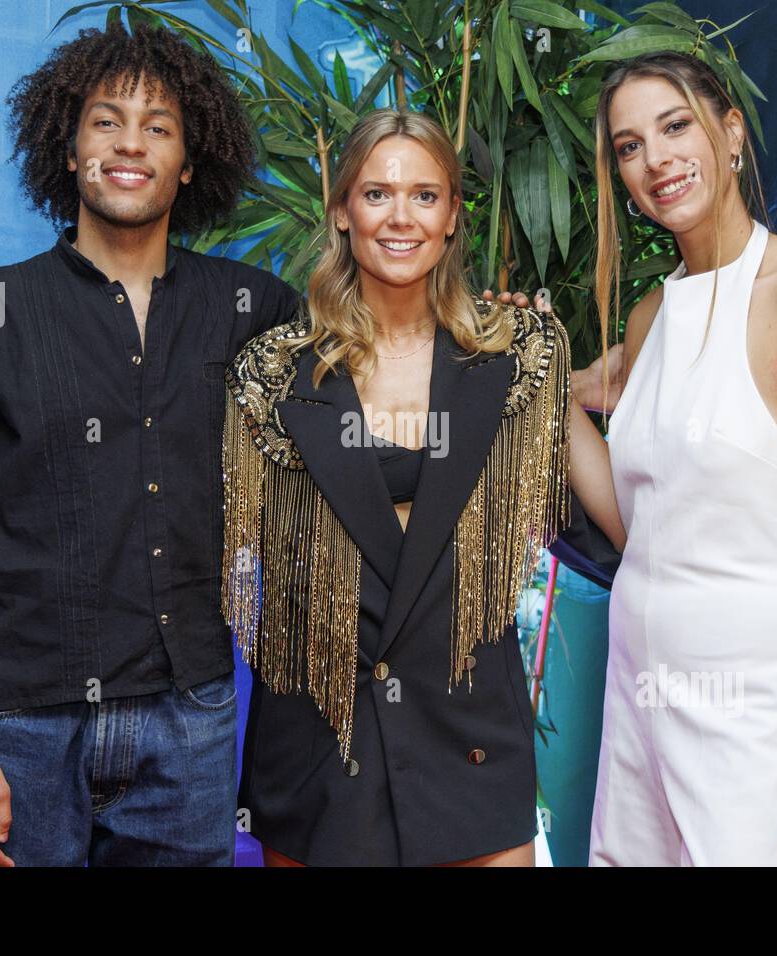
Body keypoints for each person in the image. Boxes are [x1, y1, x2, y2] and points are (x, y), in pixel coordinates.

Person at [0, 23, 299, 866]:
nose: (130, 143)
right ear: (68, 147)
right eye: (106, 120)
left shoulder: (257, 309)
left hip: (189, 725)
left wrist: (509, 338)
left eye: (159, 126)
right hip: (18, 727)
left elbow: (389, 366)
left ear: (189, 163)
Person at [222, 108, 620, 866]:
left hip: (471, 745)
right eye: (376, 194)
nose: (400, 217)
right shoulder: (272, 371)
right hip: (318, 755)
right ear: (342, 211)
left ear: (451, 218)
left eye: (424, 195)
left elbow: (622, 523)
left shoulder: (523, 357)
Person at [576, 51, 777, 866]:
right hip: (639, 711)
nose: (656, 160)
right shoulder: (652, 317)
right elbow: (638, 528)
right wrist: (542, 392)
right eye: (629, 146)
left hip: (760, 719)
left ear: (730, 134)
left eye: (676, 126)